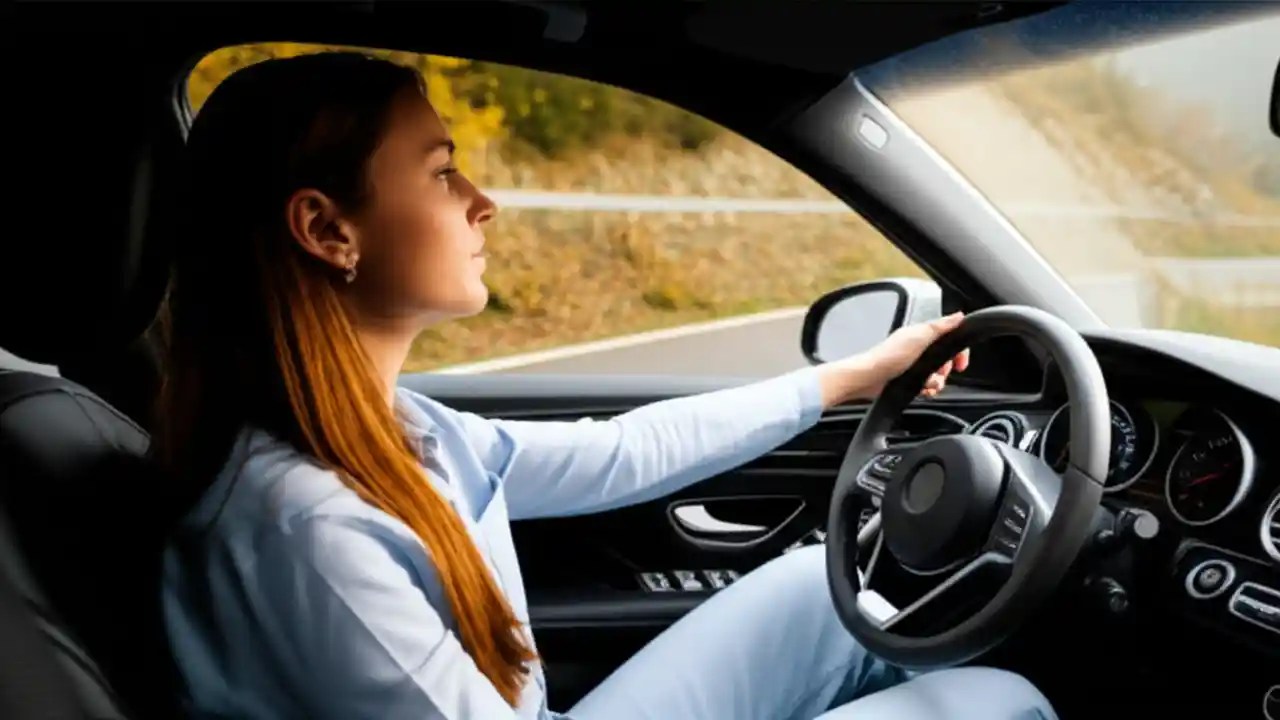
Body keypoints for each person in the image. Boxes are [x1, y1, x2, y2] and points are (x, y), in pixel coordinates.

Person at [154, 52, 1057, 720]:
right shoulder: (307, 529)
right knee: (996, 702)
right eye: (439, 172)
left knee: (818, 591)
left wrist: (849, 379)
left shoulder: (396, 428)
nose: (481, 200)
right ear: (326, 229)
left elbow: (618, 451)